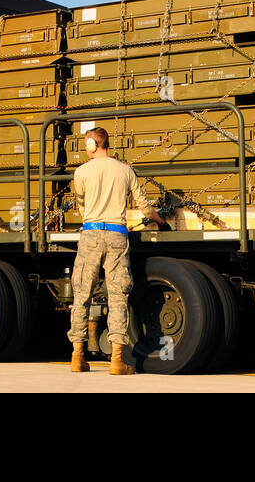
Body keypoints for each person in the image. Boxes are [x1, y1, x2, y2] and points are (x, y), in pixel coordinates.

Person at [67, 127, 167, 375]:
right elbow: (143, 205)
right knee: (117, 296)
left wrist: (90, 216)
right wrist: (158, 220)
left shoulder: (81, 172)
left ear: (91, 144)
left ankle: (77, 357)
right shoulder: (125, 170)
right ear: (107, 144)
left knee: (82, 294)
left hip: (89, 233)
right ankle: (117, 360)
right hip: (116, 235)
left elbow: (81, 203)